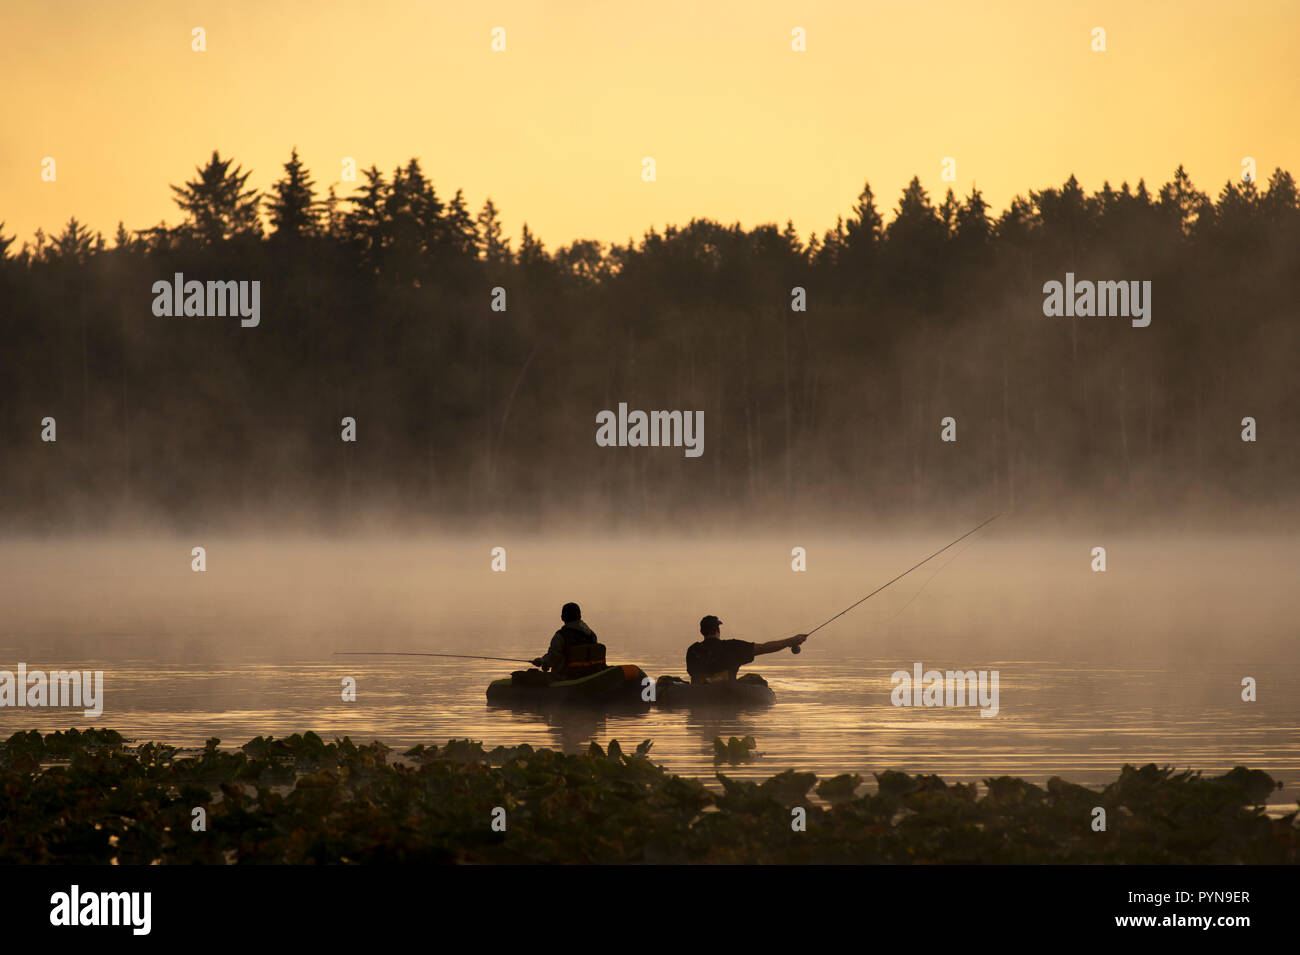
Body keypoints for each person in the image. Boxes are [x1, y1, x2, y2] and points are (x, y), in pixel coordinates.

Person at [686, 615, 806, 684]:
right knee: (757, 680)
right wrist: (791, 641)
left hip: (699, 692)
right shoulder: (732, 646)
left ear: (701, 632)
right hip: (728, 693)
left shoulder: (692, 650)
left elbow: (691, 672)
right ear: (718, 630)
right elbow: (765, 648)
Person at [531, 602, 607, 680]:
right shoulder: (591, 635)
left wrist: (543, 661)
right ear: (580, 616)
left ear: (562, 617)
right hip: (590, 674)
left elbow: (553, 658)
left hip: (567, 676)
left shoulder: (560, 636)